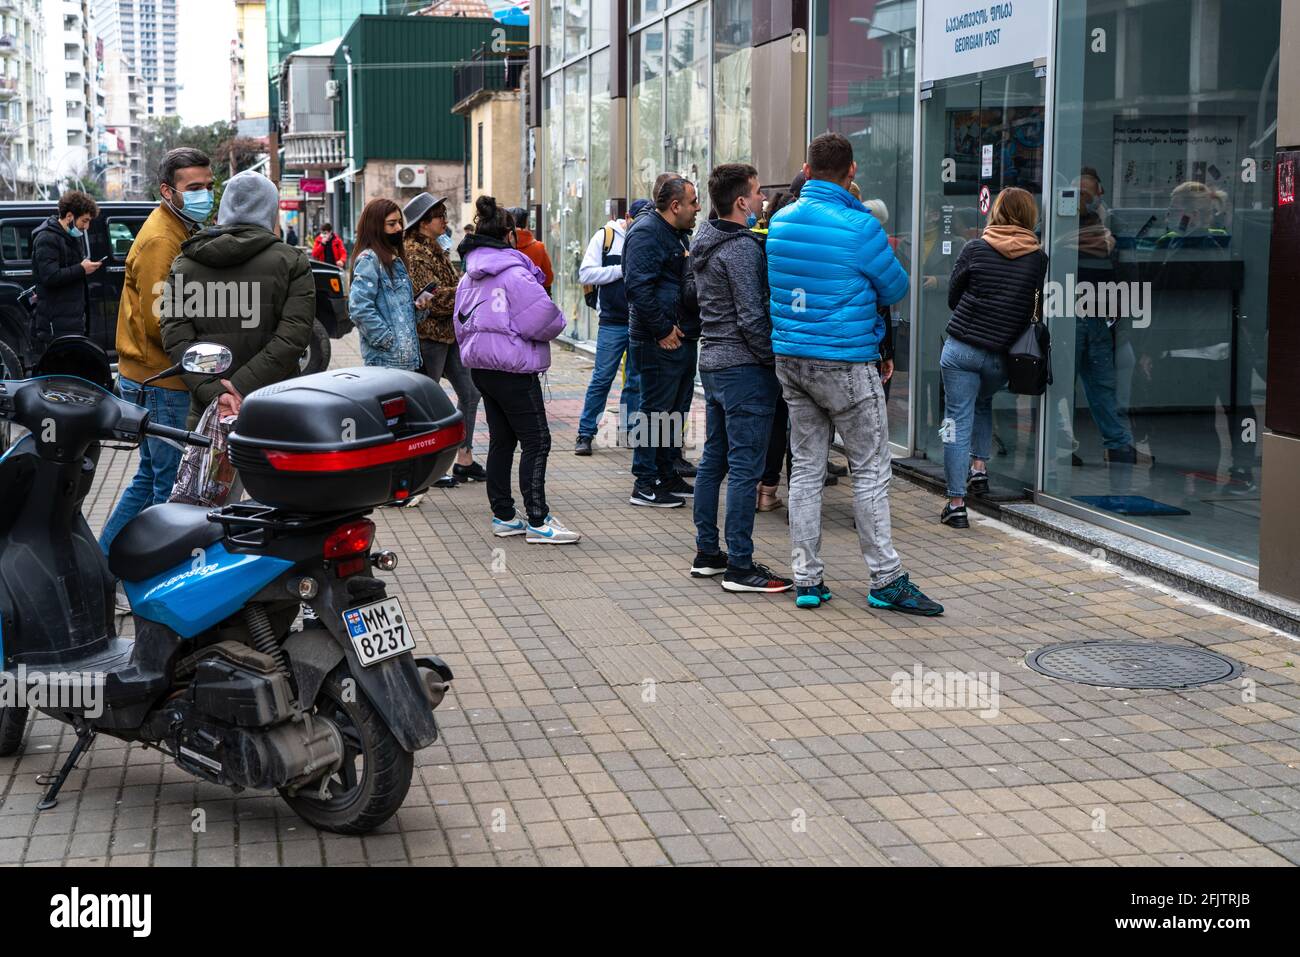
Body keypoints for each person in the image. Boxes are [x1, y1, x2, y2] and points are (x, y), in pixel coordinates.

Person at [767, 132, 943, 615]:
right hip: (844, 360)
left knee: (805, 469)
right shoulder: (859, 225)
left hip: (791, 358)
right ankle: (885, 578)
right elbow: (895, 287)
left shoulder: (780, 221)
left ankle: (807, 579)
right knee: (869, 469)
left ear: (806, 168)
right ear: (852, 171)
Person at [99, 147, 215, 556]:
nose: (205, 195)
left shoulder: (179, 229)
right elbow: (159, 321)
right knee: (166, 487)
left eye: (208, 186)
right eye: (195, 187)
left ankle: (102, 567)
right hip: (160, 377)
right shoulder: (162, 239)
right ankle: (143, 572)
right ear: (169, 191)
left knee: (150, 478)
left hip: (152, 375)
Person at [689, 163, 792, 594]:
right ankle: (741, 567)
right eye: (756, 192)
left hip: (712, 362)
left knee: (714, 461)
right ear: (740, 201)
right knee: (746, 469)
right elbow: (752, 316)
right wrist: (773, 361)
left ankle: (709, 554)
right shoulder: (743, 249)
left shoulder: (704, 241)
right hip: (744, 370)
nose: (762, 199)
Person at [455, 196, 577, 544]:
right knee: (538, 440)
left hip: (482, 367)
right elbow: (543, 318)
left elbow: (461, 324)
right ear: (509, 235)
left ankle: (504, 515)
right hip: (513, 368)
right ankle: (538, 519)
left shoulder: (469, 275)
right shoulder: (513, 274)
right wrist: (559, 322)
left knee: (502, 440)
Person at [160, 169, 315, 428]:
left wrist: (217, 392)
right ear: (270, 210)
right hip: (275, 403)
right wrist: (240, 385)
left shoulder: (186, 263)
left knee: (211, 468)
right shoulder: (291, 261)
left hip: (209, 410)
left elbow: (175, 336)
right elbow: (294, 335)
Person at [940, 187, 1048, 529]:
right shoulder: (1038, 259)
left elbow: (953, 296)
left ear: (996, 212)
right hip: (1002, 356)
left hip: (961, 350)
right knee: (982, 403)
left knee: (954, 423)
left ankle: (956, 504)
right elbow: (1033, 306)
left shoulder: (974, 248)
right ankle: (979, 470)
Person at [623, 176, 700, 507]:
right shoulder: (646, 232)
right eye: (693, 202)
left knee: (674, 411)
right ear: (675, 206)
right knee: (654, 410)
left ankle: (667, 472)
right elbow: (637, 288)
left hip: (680, 336)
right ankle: (644, 481)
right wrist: (662, 330)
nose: (698, 208)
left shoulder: (676, 233)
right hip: (659, 341)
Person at [402, 192, 486, 483]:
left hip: (449, 335)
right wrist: (468, 292)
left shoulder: (435, 247)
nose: (445, 219)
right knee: (426, 403)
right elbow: (430, 299)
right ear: (424, 223)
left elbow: (445, 290)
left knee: (471, 393)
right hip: (428, 337)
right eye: (439, 215)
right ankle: (430, 468)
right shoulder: (413, 252)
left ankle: (464, 457)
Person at [574, 199, 650, 455]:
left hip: (639, 321)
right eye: (636, 220)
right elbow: (586, 274)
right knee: (602, 378)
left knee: (635, 380)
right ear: (627, 217)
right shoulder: (606, 237)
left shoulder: (647, 239)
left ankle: (629, 431)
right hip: (612, 322)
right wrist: (621, 270)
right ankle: (585, 433)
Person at [348, 198, 420, 371]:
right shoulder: (369, 260)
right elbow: (359, 308)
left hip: (407, 360)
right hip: (385, 362)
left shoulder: (395, 260)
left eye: (400, 223)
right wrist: (387, 340)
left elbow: (400, 313)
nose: (399, 228)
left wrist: (419, 307)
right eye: (392, 224)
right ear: (376, 227)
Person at [30, 189, 101, 361]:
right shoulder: (47, 238)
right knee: (60, 376)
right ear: (69, 216)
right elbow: (50, 276)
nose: (86, 227)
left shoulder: (69, 236)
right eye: (84, 221)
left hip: (71, 319)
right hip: (56, 324)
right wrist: (81, 269)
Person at [505, 206, 555, 294]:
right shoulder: (539, 247)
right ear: (526, 223)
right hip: (533, 298)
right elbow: (548, 279)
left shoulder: (501, 246)